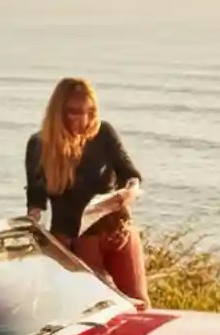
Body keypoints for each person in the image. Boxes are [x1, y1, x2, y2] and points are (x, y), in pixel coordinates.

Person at [24, 77, 150, 306]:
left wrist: (130, 191)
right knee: (104, 305)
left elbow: (129, 172)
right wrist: (32, 223)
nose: (83, 120)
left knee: (140, 304)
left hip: (117, 230)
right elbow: (36, 199)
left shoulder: (103, 133)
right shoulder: (39, 146)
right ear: (58, 111)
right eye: (74, 112)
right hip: (76, 240)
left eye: (89, 111)